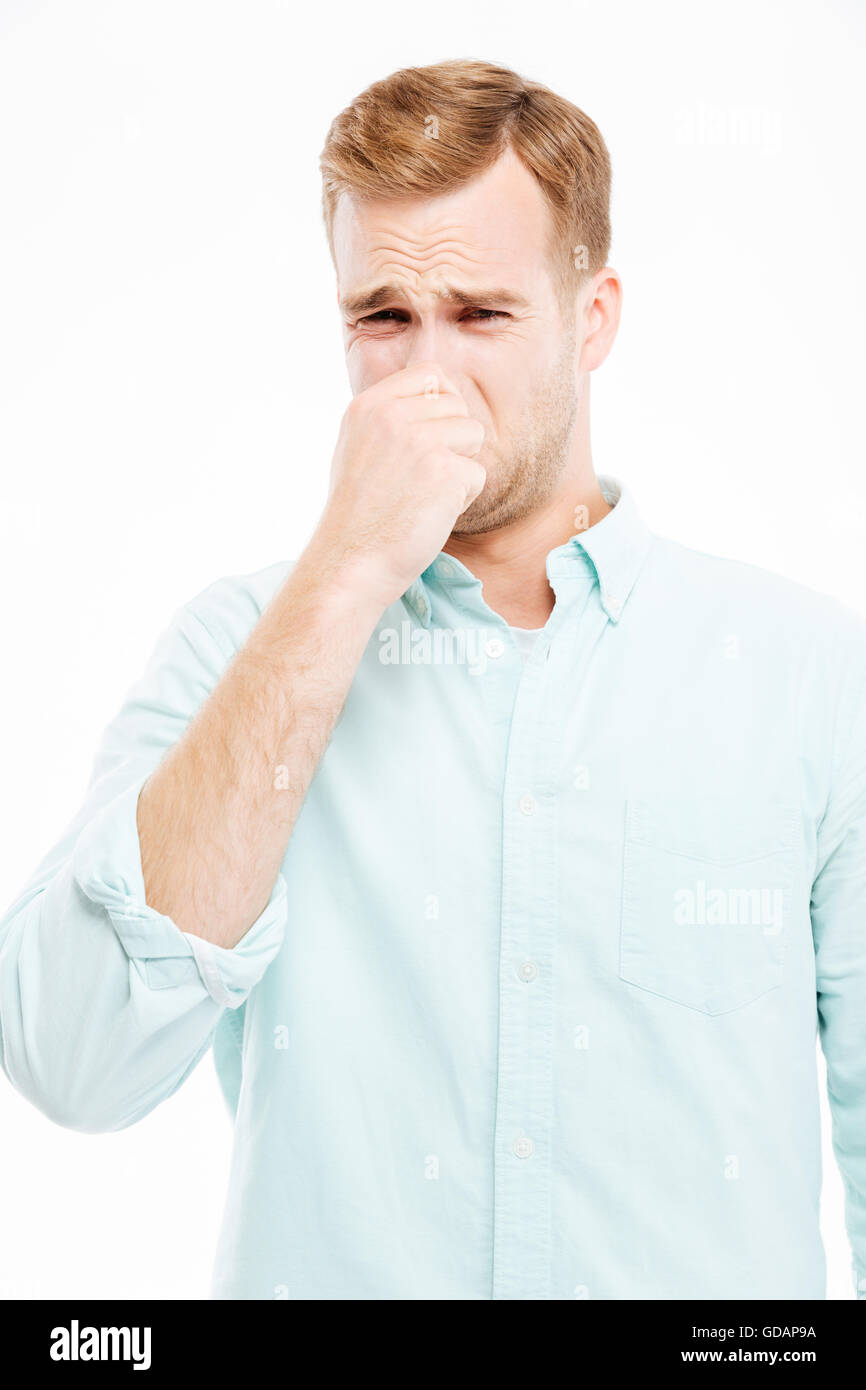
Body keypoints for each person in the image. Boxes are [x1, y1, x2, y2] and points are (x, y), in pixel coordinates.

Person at [1, 58, 864, 1301]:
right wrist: (346, 567)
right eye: (383, 317)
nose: (425, 373)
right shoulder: (234, 646)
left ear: (594, 318)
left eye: (481, 312)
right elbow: (73, 1062)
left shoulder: (809, 679)